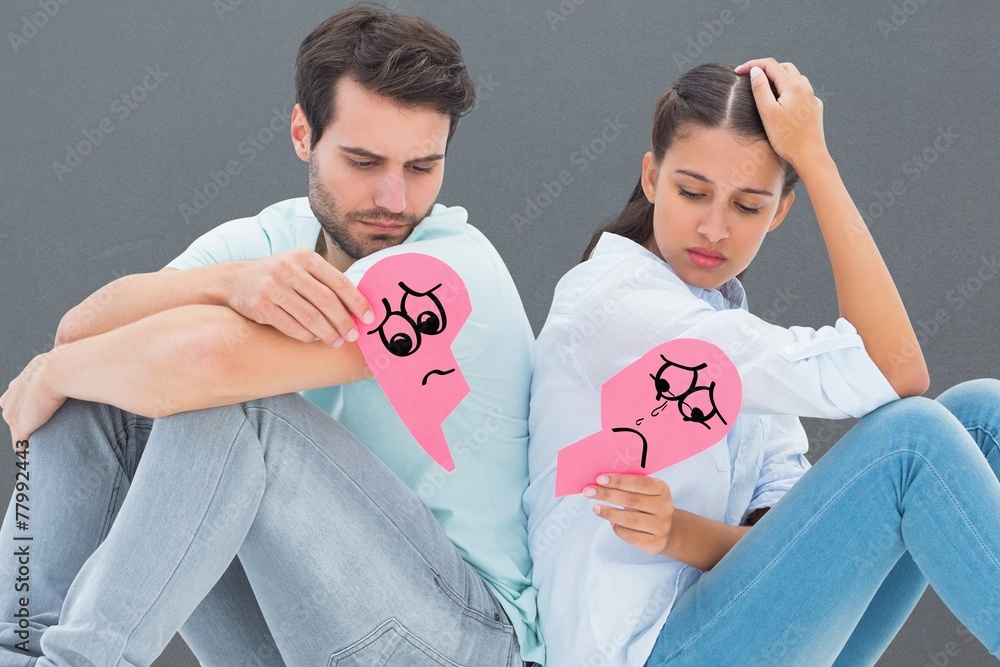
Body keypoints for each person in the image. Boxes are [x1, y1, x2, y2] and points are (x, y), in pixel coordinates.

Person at [0, 6, 542, 666]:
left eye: (422, 167)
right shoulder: (271, 242)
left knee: (227, 405)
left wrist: (49, 371)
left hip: (466, 637)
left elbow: (205, 364)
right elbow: (82, 334)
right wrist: (229, 283)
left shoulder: (444, 276)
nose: (394, 199)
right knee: (100, 396)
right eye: (364, 161)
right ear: (302, 134)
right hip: (307, 622)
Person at [523, 59, 1000, 666]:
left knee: (981, 415)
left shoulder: (723, 320)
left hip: (735, 632)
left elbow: (782, 533)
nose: (714, 228)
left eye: (747, 206)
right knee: (913, 441)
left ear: (779, 211)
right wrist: (817, 162)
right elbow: (897, 370)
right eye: (692, 192)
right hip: (647, 655)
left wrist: (682, 534)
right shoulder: (619, 303)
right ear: (651, 178)